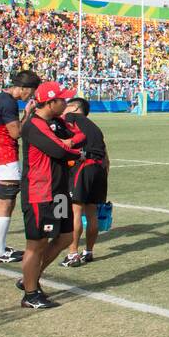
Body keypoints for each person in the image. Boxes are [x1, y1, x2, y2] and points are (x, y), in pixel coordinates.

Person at [18, 81, 85, 309]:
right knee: (36, 244)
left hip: (58, 191)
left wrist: (72, 145)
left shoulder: (54, 122)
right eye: (62, 100)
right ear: (50, 102)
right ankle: (30, 293)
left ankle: (30, 277)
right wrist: (77, 152)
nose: (66, 104)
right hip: (40, 193)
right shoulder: (34, 125)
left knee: (66, 237)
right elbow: (59, 150)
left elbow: (79, 136)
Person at [0, 69, 41, 263]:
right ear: (22, 88)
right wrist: (28, 115)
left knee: (6, 202)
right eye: (30, 91)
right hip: (3, 157)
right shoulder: (7, 102)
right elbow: (16, 133)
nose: (31, 96)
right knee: (6, 202)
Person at [61, 97, 109, 266]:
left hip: (83, 167)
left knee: (75, 211)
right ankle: (88, 251)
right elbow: (105, 154)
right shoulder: (95, 127)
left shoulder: (70, 119)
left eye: (66, 106)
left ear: (74, 108)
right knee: (92, 212)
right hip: (99, 169)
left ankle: (73, 253)